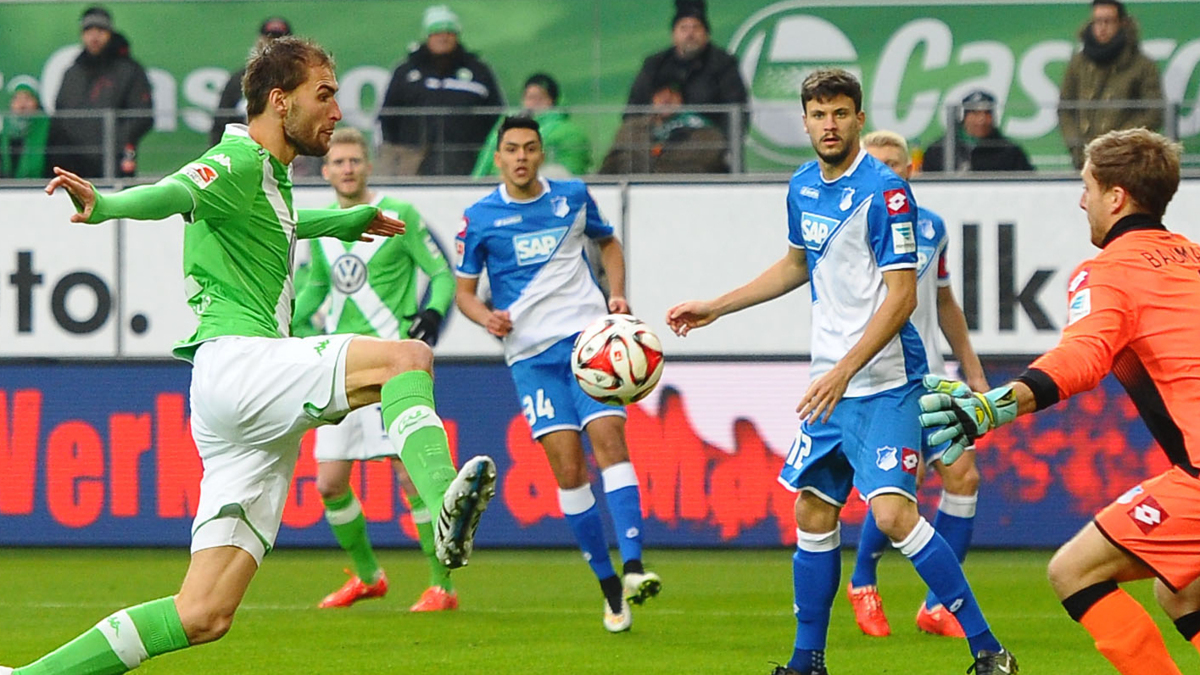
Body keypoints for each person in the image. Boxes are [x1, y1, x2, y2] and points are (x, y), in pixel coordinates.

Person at [7, 37, 496, 675]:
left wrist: (338, 223)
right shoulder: (236, 158)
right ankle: (440, 513)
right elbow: (178, 191)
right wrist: (107, 206)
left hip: (234, 405)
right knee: (408, 360)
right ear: (278, 99)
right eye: (324, 96)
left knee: (202, 613)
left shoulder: (269, 177)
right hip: (241, 364)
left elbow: (276, 223)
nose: (336, 112)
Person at [666, 69, 1016, 675]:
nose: (829, 124)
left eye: (840, 113)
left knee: (891, 516)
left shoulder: (886, 192)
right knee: (812, 511)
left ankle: (989, 651)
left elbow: (903, 298)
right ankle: (807, 662)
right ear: (804, 121)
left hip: (882, 384)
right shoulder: (803, 185)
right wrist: (715, 307)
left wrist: (844, 371)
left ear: (858, 118)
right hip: (831, 383)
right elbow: (797, 264)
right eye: (818, 114)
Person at [919, 128, 1200, 675]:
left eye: (1087, 187)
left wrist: (992, 407)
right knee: (1182, 593)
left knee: (1073, 571)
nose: (1081, 200)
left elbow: (1082, 359)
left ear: (1115, 197)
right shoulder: (1194, 257)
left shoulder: (1110, 273)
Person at [455, 116, 661, 633]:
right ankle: (609, 589)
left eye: (529, 148)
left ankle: (634, 565)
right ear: (498, 157)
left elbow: (608, 243)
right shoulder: (480, 218)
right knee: (569, 473)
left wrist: (616, 293)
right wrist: (487, 317)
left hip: (587, 345)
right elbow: (464, 293)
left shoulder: (572, 197)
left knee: (610, 440)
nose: (521, 157)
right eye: (511, 149)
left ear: (541, 153)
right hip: (529, 358)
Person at [291, 127, 459, 612]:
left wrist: (432, 313)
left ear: (367, 166)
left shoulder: (399, 215)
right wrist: (289, 325)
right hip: (341, 363)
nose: (346, 169)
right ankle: (369, 576)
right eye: (337, 162)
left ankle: (441, 585)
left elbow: (441, 273)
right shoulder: (322, 229)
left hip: (390, 365)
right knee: (329, 483)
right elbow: (317, 292)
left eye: (354, 161)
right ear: (325, 171)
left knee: (410, 478)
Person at [845, 130, 990, 639]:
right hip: (885, 376)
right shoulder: (858, 225)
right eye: (876, 163)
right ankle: (863, 581)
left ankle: (937, 605)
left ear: (911, 171)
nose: (886, 171)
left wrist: (970, 369)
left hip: (932, 374)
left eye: (894, 164)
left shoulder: (932, 228)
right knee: (902, 489)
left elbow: (944, 302)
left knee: (963, 478)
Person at [378, 4, 504, 176]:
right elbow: (388, 118)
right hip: (412, 163)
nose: (443, 37)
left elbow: (495, 115)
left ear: (457, 36)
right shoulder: (406, 71)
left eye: (449, 32)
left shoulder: (479, 71)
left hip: (470, 161)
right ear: (427, 36)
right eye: (436, 32)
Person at [625, 0, 747, 157]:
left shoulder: (724, 64)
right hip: (657, 155)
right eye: (683, 28)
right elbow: (633, 112)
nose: (690, 34)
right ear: (673, 33)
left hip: (710, 154)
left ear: (706, 33)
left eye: (696, 27)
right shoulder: (654, 65)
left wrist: (723, 149)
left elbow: (736, 114)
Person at [47, 6, 152, 178]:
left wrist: (114, 142)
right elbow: (60, 116)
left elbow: (142, 115)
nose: (94, 36)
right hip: (73, 165)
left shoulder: (129, 70)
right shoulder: (72, 72)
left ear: (110, 33)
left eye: (100, 30)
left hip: (113, 164)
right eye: (88, 30)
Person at [1058, 0, 1163, 169]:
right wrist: (1075, 145)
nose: (1102, 27)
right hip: (1084, 159)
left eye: (1108, 21)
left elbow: (1153, 113)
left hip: (1126, 162)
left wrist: (1119, 143)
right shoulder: (1078, 63)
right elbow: (1065, 108)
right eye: (1097, 21)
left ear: (1122, 23)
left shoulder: (1142, 65)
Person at [471, 73, 592, 178]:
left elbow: (574, 168)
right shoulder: (507, 122)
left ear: (552, 100)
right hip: (501, 185)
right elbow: (487, 155)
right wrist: (475, 182)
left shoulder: (568, 131)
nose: (533, 103)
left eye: (539, 98)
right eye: (529, 97)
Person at [600, 78, 727, 174]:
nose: (666, 98)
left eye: (672, 92)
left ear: (682, 98)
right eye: (660, 93)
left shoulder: (705, 131)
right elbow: (610, 166)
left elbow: (701, 166)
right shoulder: (632, 128)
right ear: (651, 98)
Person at [209, 16, 292, 147]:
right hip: (243, 150)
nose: (273, 45)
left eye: (280, 40)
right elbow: (221, 121)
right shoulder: (239, 80)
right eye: (269, 39)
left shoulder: (300, 80)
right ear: (259, 41)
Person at [922, 90, 1034, 173]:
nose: (982, 119)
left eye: (987, 113)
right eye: (975, 113)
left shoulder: (1009, 151)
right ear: (965, 117)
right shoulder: (939, 150)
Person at [1, 78, 49, 179]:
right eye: (17, 99)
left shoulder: (50, 130)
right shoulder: (4, 131)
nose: (22, 105)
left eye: (27, 98)